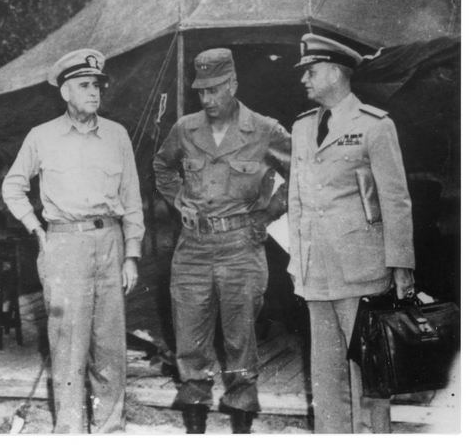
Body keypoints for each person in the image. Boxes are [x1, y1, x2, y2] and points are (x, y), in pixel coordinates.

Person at [1, 49, 145, 433]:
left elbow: (132, 201)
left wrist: (132, 255)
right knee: (67, 348)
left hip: (110, 243)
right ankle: (69, 431)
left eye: (97, 85)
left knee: (111, 347)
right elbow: (13, 187)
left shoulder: (117, 135)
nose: (94, 92)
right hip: (64, 245)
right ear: (65, 92)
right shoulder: (41, 137)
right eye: (84, 85)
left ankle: (110, 431)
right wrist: (36, 228)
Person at [153, 48, 291, 434]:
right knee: (190, 345)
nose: (208, 100)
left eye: (215, 90)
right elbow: (162, 165)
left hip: (240, 247)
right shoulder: (185, 128)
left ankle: (240, 433)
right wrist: (179, 201)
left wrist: (270, 211)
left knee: (240, 344)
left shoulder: (263, 129)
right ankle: (195, 433)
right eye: (202, 92)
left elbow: (303, 168)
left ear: (233, 84)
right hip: (192, 248)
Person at [287, 33, 415, 433]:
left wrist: (400, 265)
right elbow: (296, 199)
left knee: (369, 375)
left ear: (336, 72)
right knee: (326, 378)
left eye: (311, 71)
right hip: (316, 272)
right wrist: (296, 260)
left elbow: (396, 200)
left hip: (361, 270)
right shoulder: (303, 128)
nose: (304, 80)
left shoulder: (375, 126)